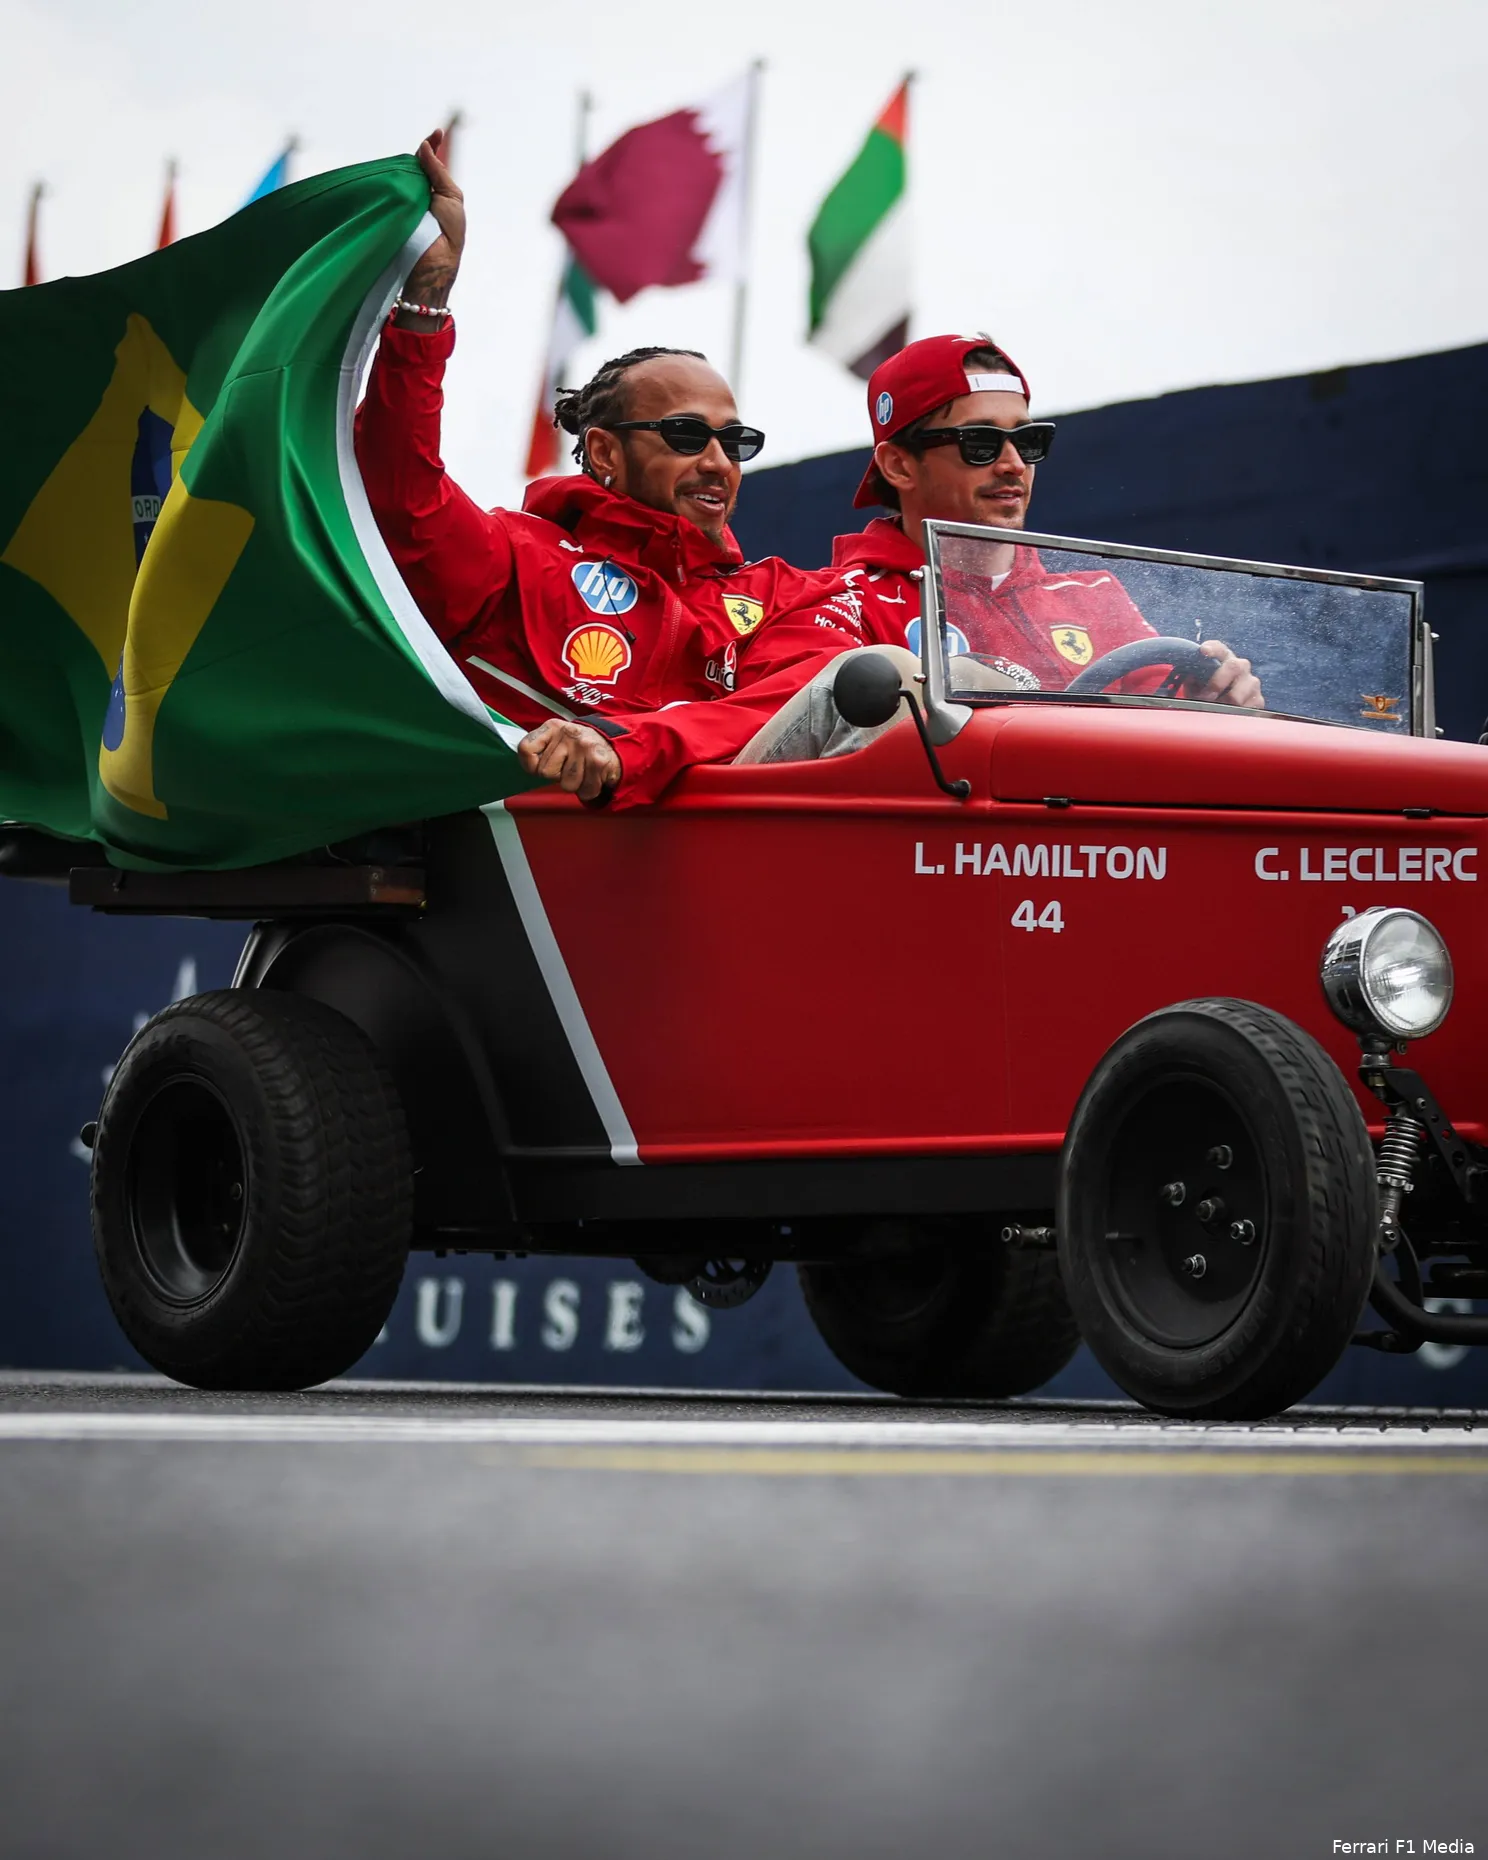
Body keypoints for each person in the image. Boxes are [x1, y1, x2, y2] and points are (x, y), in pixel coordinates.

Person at [354, 130, 836, 805]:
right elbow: (398, 485)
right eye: (686, 434)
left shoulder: (788, 595)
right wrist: (426, 299)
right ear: (606, 452)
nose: (717, 461)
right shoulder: (513, 559)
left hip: (726, 881)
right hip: (530, 883)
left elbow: (808, 701)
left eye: (736, 442)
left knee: (877, 678)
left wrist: (625, 744)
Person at [738, 334, 1262, 763]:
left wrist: (1220, 701)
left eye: (1028, 441)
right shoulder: (832, 604)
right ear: (898, 465)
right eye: (980, 444)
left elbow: (1164, 745)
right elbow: (774, 758)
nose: (1013, 463)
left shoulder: (1094, 595)